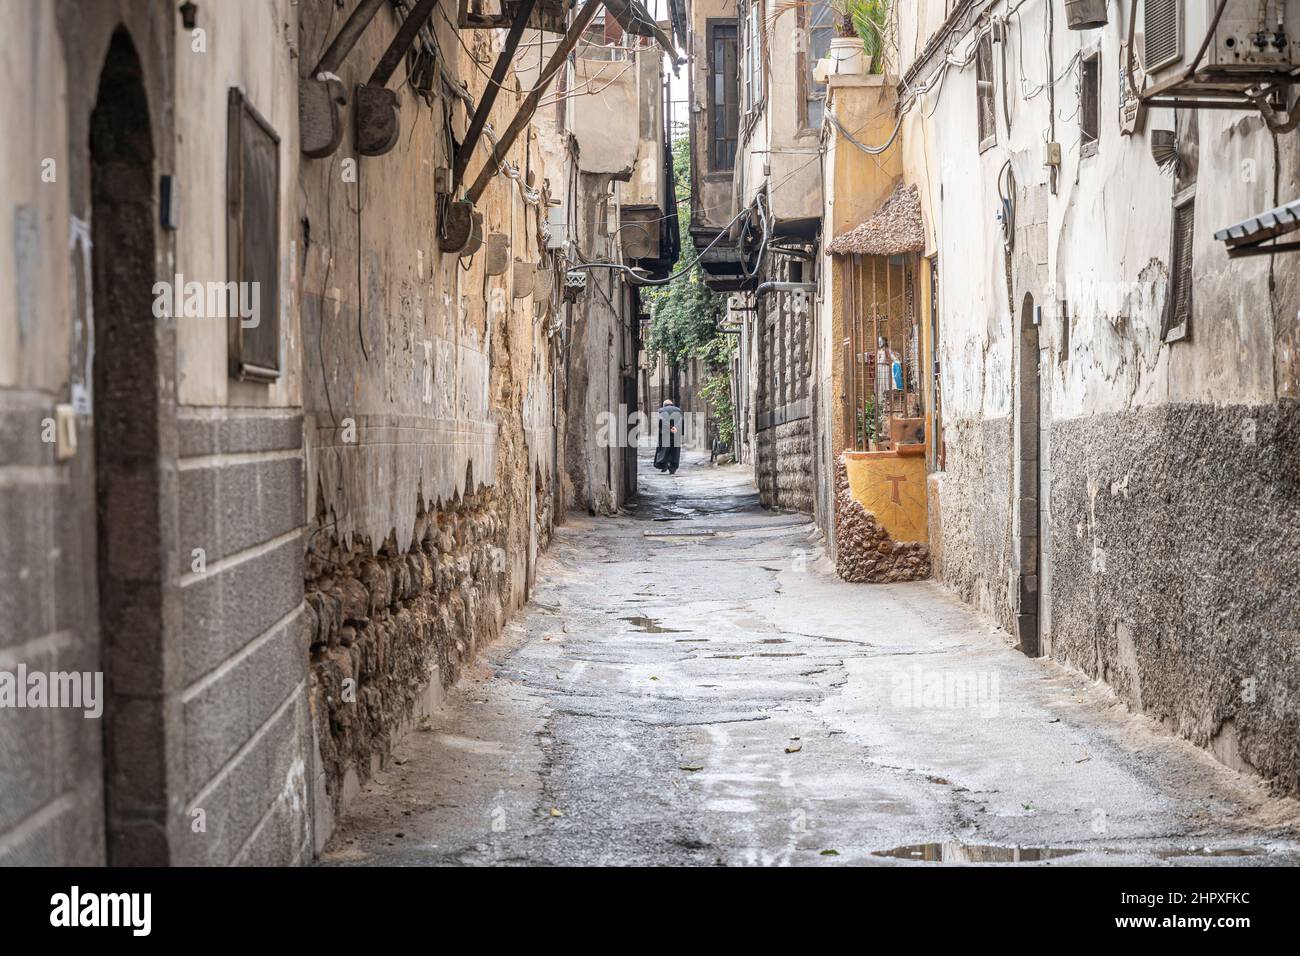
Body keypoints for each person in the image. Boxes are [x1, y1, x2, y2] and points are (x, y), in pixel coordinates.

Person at [654, 398, 683, 475]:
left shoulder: (661, 410)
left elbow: (661, 420)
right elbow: (681, 421)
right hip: (676, 434)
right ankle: (673, 467)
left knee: (664, 450)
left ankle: (664, 464)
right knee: (675, 451)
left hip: (665, 434)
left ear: (664, 405)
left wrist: (669, 428)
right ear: (671, 404)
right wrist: (675, 427)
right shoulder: (678, 410)